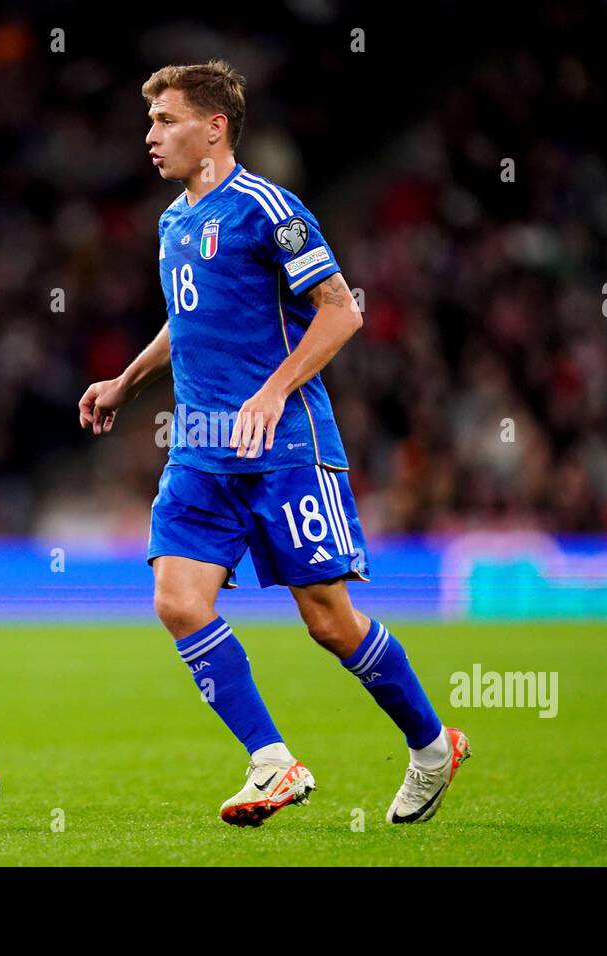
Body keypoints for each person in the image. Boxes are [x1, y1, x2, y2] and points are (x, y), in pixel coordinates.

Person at [78, 60, 469, 827]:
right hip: (198, 448)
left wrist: (273, 388)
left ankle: (431, 746)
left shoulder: (268, 208)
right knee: (176, 599)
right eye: (150, 122)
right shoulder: (174, 220)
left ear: (214, 127)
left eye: (167, 121)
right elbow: (190, 322)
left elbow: (340, 311)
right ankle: (272, 761)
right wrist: (128, 379)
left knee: (327, 619)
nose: (150, 137)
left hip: (283, 445)